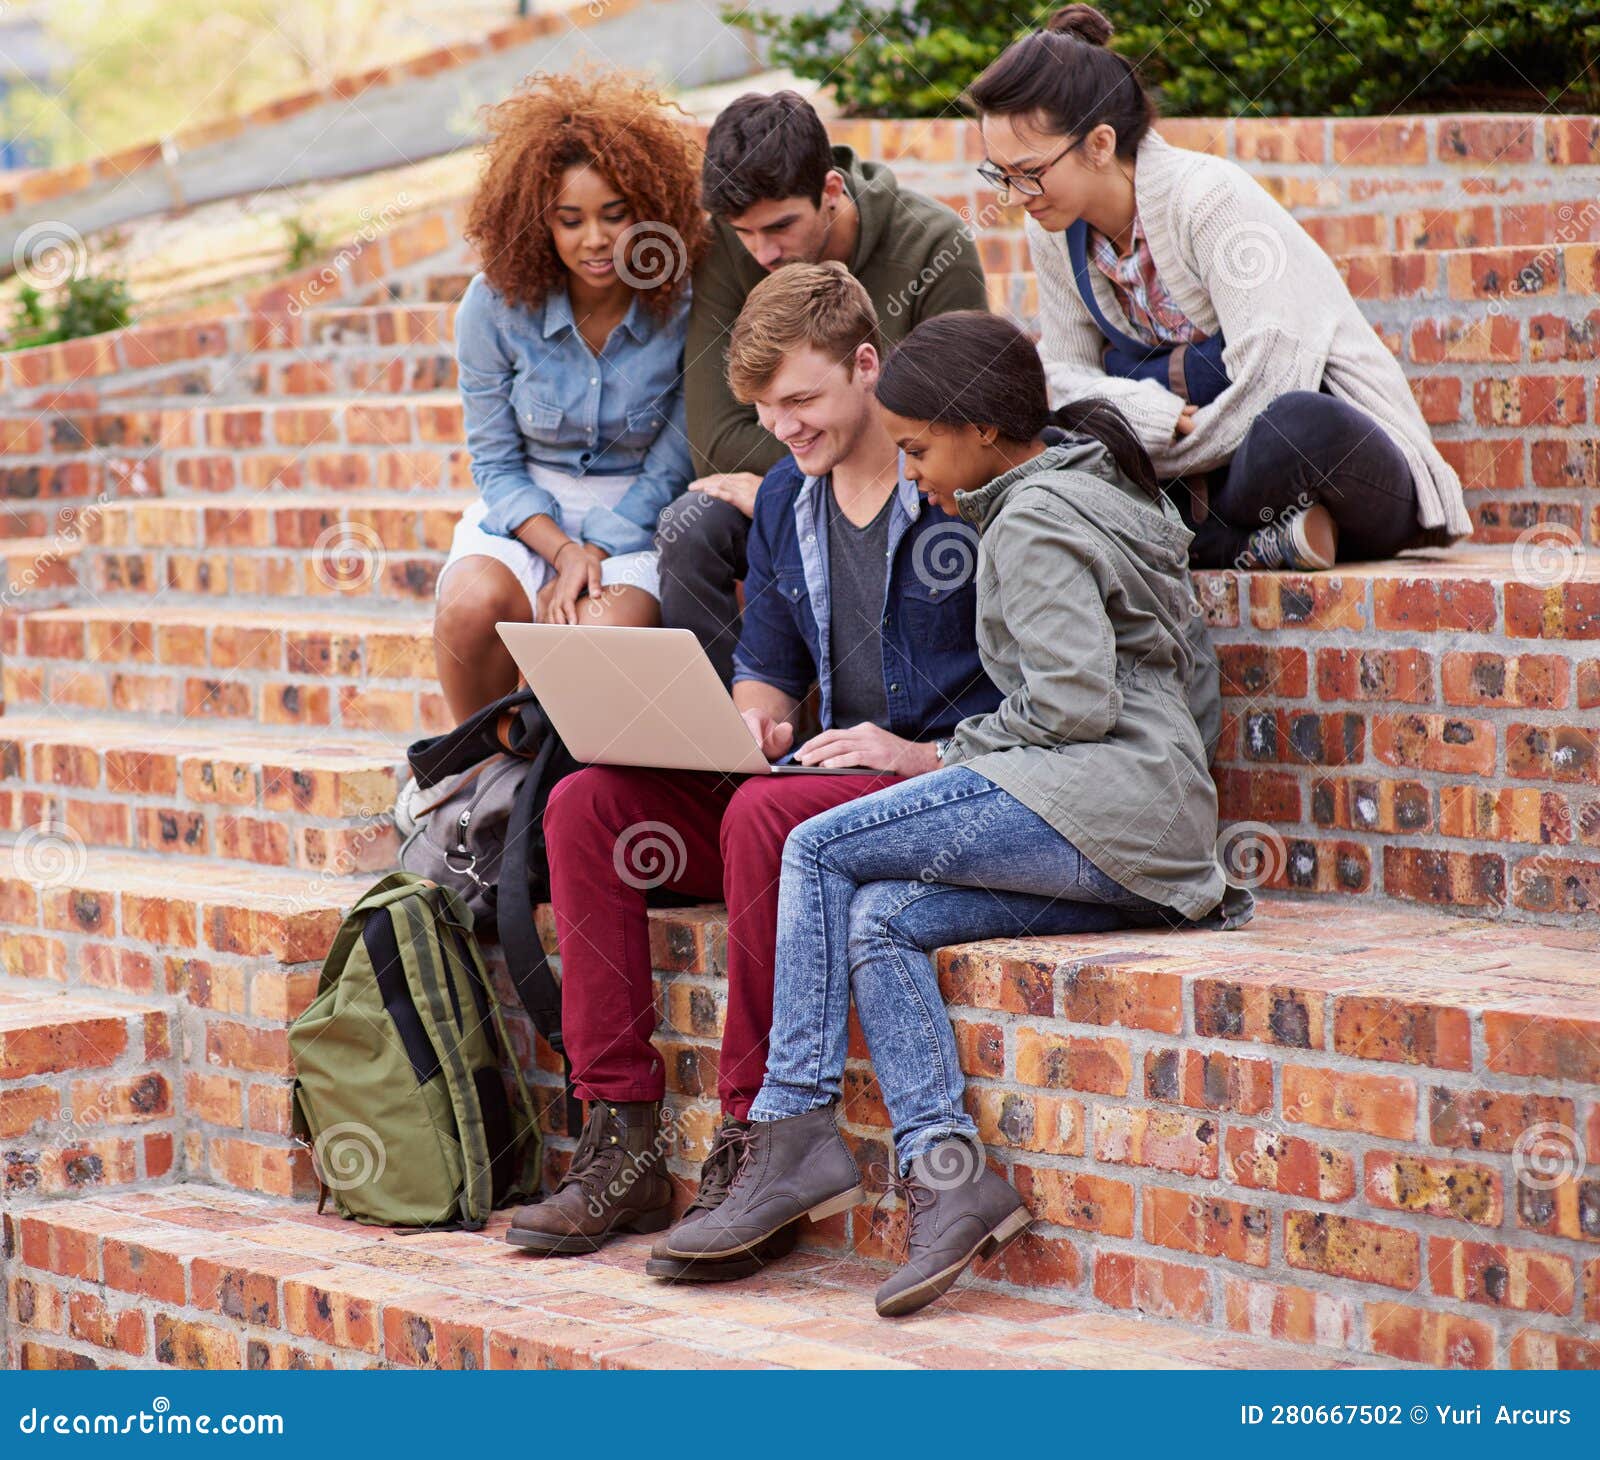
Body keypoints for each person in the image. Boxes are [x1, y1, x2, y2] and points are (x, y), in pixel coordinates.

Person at [654, 311, 1254, 1317]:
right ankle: (948, 1174)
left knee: (813, 844)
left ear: (978, 430)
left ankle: (792, 1125)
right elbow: (1168, 685)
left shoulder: (1030, 518)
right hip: (1143, 838)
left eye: (921, 450)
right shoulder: (1088, 489)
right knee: (877, 918)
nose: (914, 472)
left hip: (1102, 799)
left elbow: (1071, 704)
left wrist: (933, 752)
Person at [503, 264, 998, 1275]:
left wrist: (916, 750)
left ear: (867, 365)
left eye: (801, 400)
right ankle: (622, 1137)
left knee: (762, 820)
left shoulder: (951, 485)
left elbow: (1027, 699)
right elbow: (767, 677)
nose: (783, 427)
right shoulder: (785, 496)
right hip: (818, 775)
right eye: (767, 409)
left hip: (933, 788)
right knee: (587, 805)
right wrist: (741, 729)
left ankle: (753, 1141)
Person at [965, 5, 1471, 572]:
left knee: (1293, 426)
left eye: (1028, 172)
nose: (1013, 196)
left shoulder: (1208, 199)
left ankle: (1170, 531)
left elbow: (1274, 380)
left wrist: (1152, 443)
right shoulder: (1054, 231)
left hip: (1339, 464)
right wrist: (1145, 413)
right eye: (1000, 174)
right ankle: (1246, 538)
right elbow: (1063, 377)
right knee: (1050, 438)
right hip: (1210, 471)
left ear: (1100, 144)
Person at [657, 90, 990, 683]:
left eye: (781, 226)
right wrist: (796, 490)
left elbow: (954, 431)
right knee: (693, 526)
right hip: (791, 482)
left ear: (831, 189)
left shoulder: (933, 244)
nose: (763, 251)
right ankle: (721, 732)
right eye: (744, 232)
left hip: (917, 495)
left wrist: (798, 491)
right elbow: (715, 438)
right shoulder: (730, 250)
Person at [432, 71, 706, 721]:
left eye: (616, 214)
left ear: (649, 210)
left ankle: (554, 776)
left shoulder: (685, 303)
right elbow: (494, 462)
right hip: (526, 510)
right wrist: (560, 549)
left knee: (597, 637)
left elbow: (673, 461)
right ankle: (479, 765)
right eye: (570, 220)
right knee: (469, 605)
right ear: (538, 222)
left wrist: (597, 551)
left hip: (638, 514)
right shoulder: (492, 306)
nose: (596, 240)